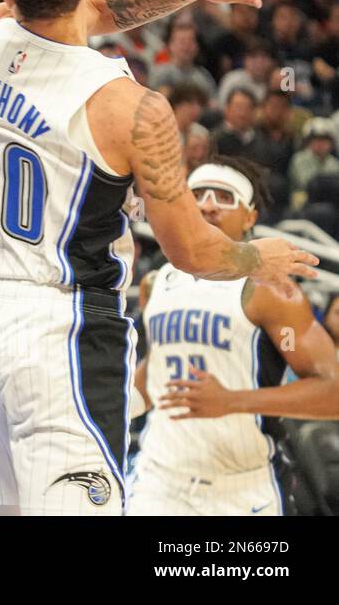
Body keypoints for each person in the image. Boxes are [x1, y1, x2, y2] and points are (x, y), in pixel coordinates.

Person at [0, 0, 318, 516]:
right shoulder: (130, 109)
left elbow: (82, 8)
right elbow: (192, 252)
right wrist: (258, 254)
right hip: (59, 330)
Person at [128, 158, 337, 515]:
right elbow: (159, 368)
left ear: (250, 218)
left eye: (224, 197)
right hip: (157, 479)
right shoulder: (155, 282)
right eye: (198, 195)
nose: (208, 204)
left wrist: (232, 400)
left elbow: (331, 391)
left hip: (241, 488)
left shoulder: (270, 291)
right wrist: (114, 407)